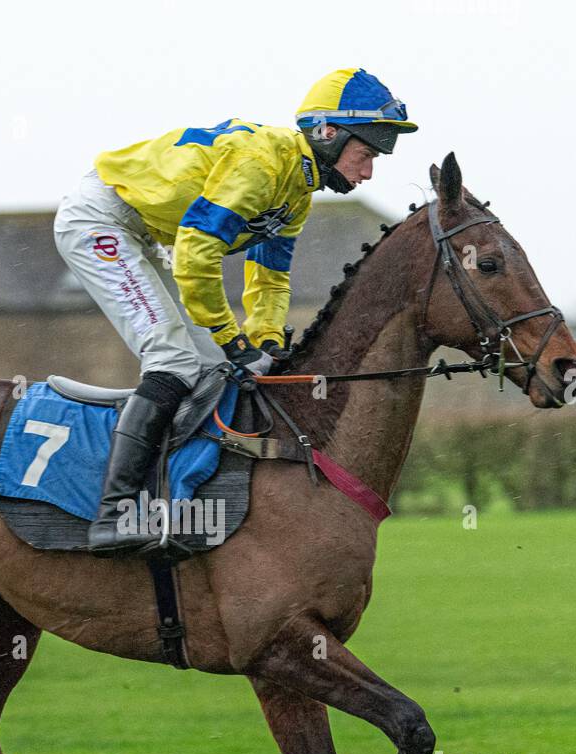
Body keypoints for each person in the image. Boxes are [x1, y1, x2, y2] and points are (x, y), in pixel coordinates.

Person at [52, 67, 416, 555]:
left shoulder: (296, 192)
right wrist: (232, 338)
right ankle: (113, 513)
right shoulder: (260, 165)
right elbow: (196, 255)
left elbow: (269, 275)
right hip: (101, 220)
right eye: (366, 153)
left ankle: (178, 498)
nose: (368, 171)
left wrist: (262, 339)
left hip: (144, 233)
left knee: (213, 369)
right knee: (174, 360)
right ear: (328, 132)